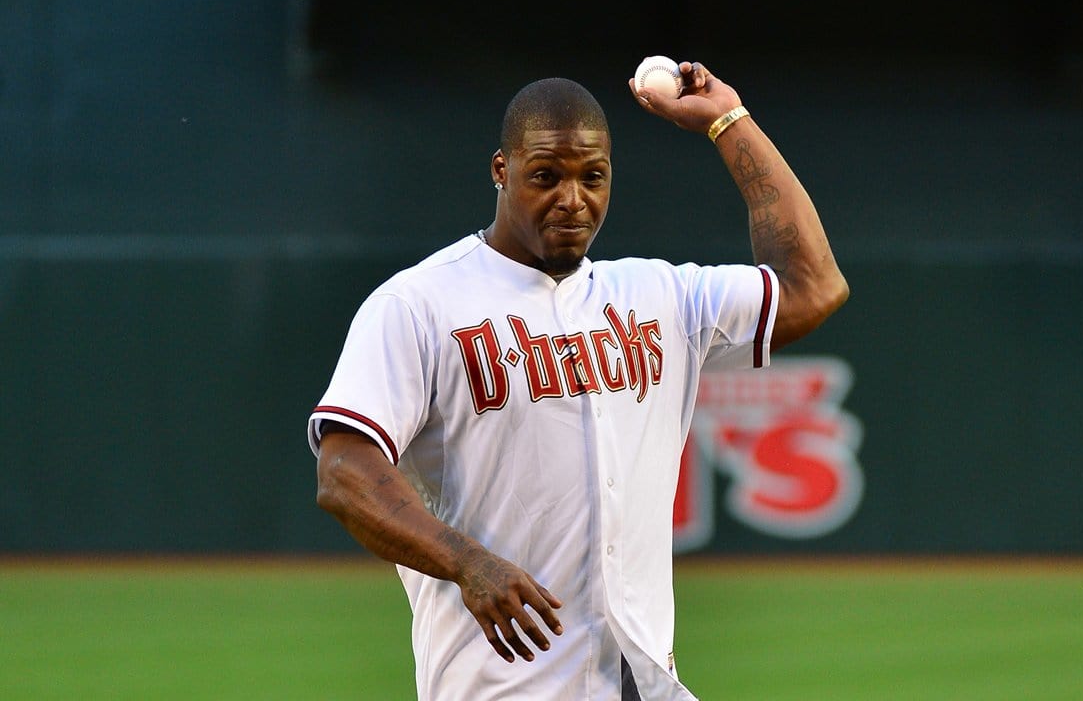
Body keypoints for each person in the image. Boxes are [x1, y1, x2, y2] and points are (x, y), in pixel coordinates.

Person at [307, 59, 848, 700]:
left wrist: (729, 121)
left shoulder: (658, 296)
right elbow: (344, 471)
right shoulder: (418, 304)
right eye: (546, 176)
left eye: (593, 177)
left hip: (645, 685)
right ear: (500, 171)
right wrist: (465, 561)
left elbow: (814, 287)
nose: (573, 198)